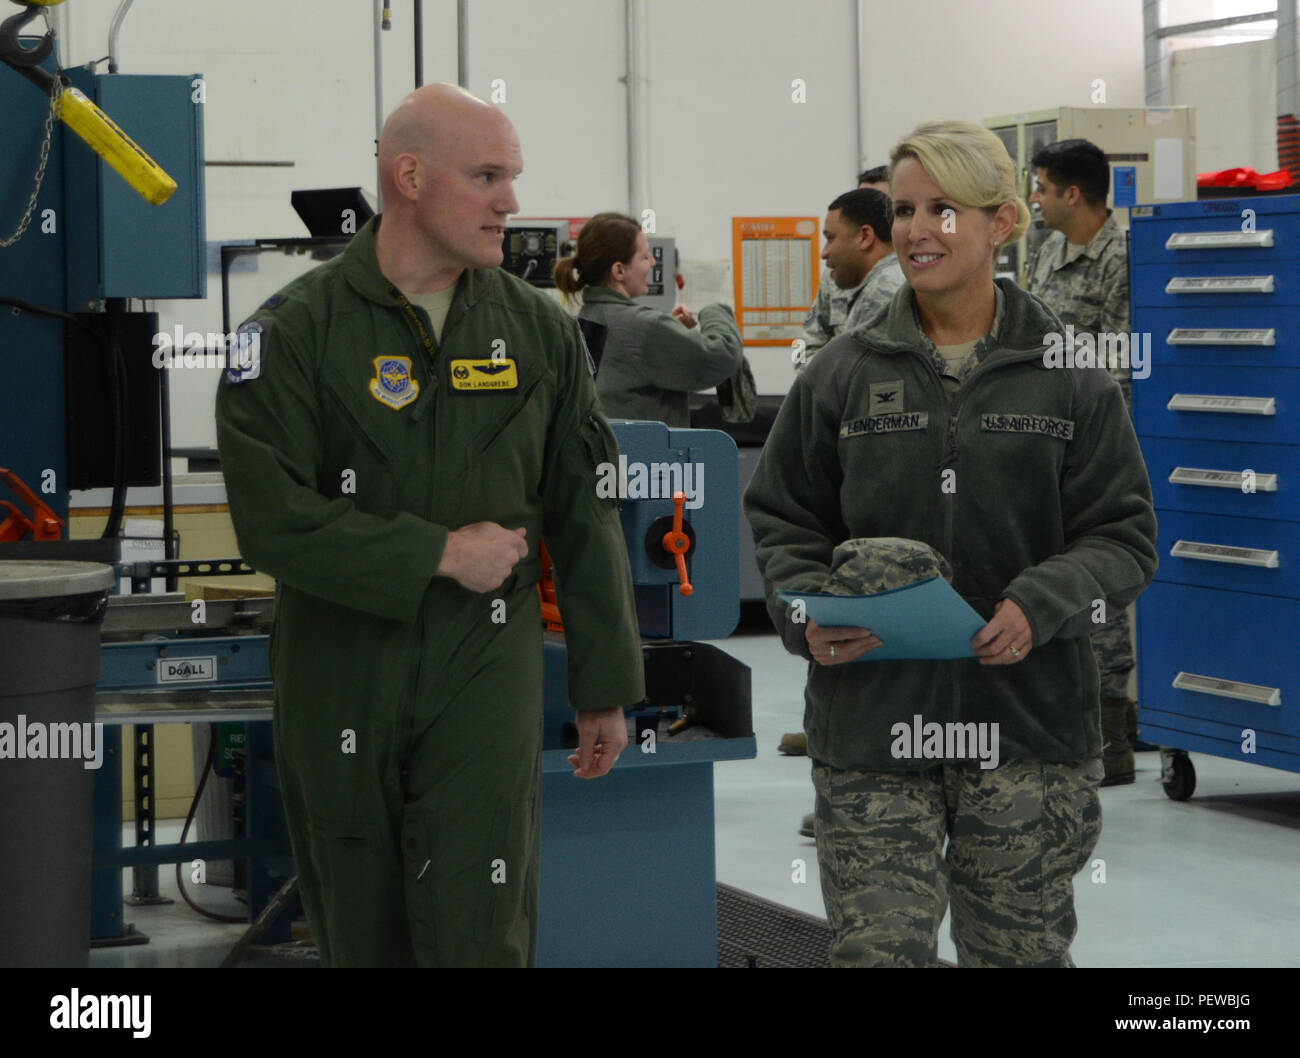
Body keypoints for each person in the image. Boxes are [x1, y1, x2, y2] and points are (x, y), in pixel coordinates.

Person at [214, 84, 645, 968]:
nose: (512, 203)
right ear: (408, 176)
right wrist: (440, 552)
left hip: (484, 669)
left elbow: (585, 506)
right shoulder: (291, 335)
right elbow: (273, 521)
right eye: (487, 176)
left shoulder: (539, 334)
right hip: (341, 671)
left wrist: (607, 681)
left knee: (478, 925)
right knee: (359, 928)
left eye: (512, 177)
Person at [744, 119, 1157, 967]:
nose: (917, 231)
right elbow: (784, 519)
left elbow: (1123, 537)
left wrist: (1041, 605)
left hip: (1027, 733)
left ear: (1002, 222)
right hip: (873, 727)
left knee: (1019, 954)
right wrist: (801, 615)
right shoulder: (845, 372)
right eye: (903, 210)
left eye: (943, 209)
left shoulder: (1071, 374)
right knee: (877, 953)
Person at [1027, 138, 1139, 785]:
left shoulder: (1123, 260)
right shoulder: (1046, 251)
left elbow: (1123, 365)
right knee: (1052, 576)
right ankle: (1058, 731)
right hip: (1043, 441)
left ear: (1073, 193)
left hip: (1096, 442)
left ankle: (1111, 743)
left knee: (1100, 586)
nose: (1034, 199)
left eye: (1041, 188)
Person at [553, 212, 743, 428]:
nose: (653, 262)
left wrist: (670, 330)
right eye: (645, 256)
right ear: (619, 270)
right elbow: (723, 356)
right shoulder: (643, 327)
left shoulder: (589, 318)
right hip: (644, 458)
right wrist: (716, 311)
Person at [801, 166, 892, 359]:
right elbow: (805, 342)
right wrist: (817, 377)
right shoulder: (833, 277)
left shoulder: (908, 277)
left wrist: (837, 357)